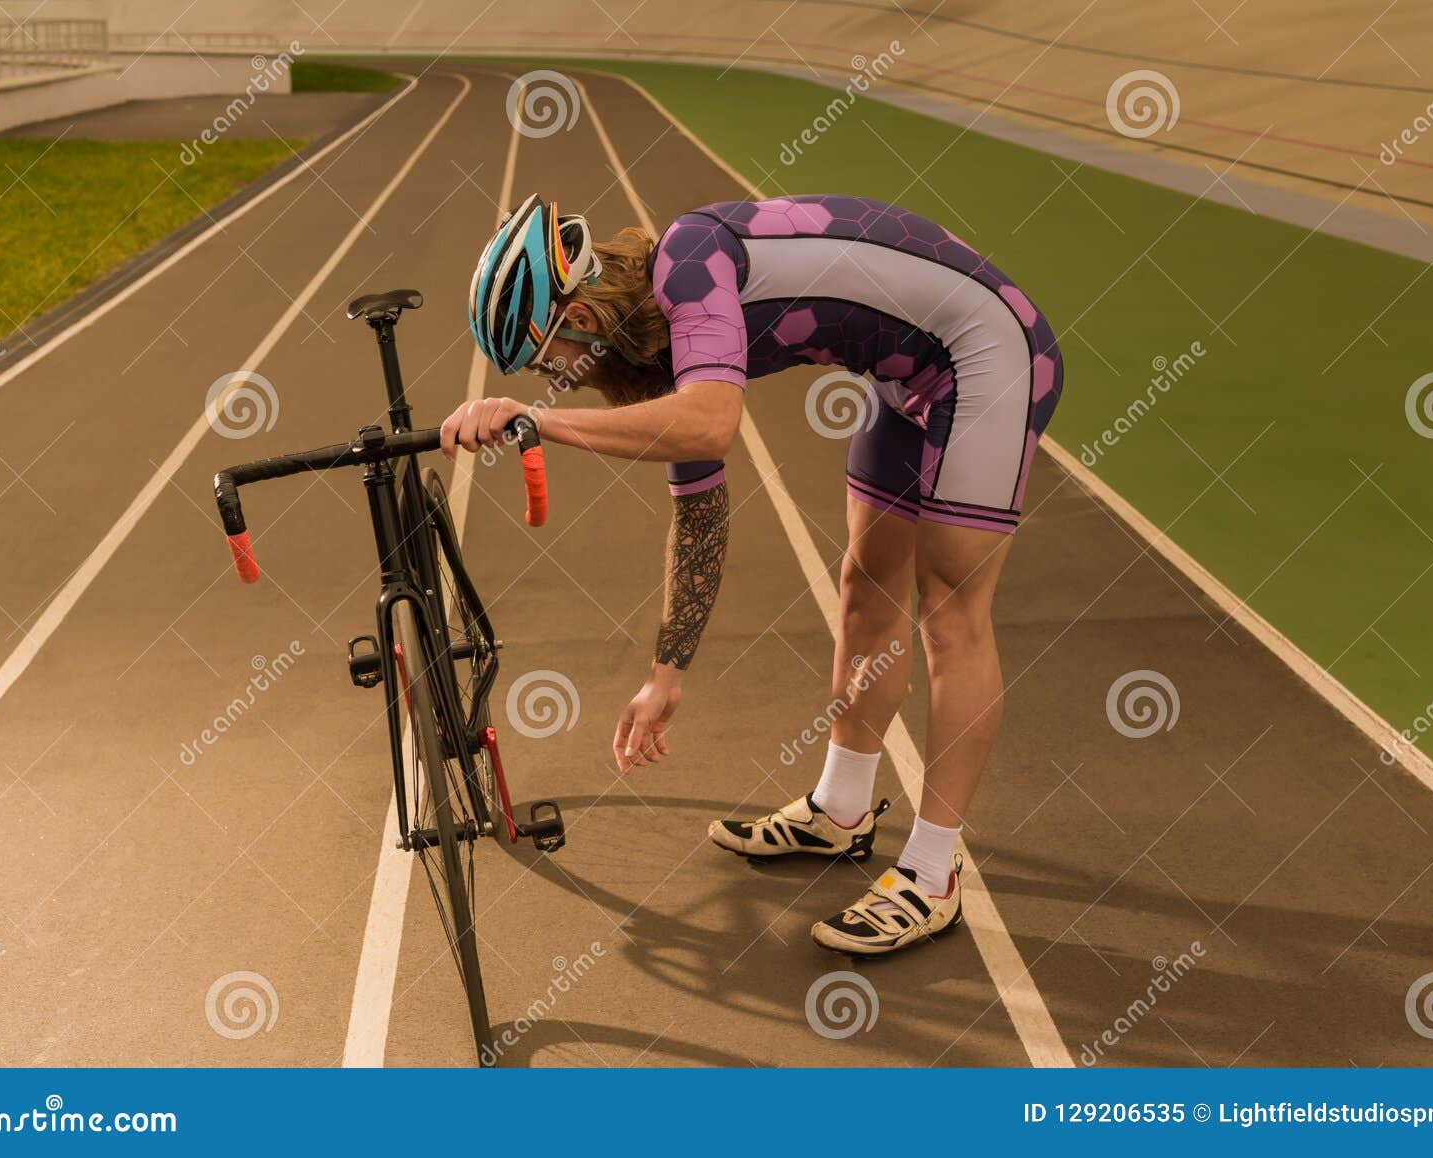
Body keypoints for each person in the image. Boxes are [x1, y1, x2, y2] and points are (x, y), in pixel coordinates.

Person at [448, 193, 1062, 957]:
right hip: (909, 374)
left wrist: (539, 420)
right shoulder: (662, 354)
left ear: (576, 318)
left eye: (546, 363)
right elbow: (700, 515)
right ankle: (842, 809)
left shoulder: (690, 258)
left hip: (990, 348)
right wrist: (666, 670)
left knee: (948, 615)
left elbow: (712, 422)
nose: (555, 380)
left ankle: (934, 872)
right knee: (865, 589)